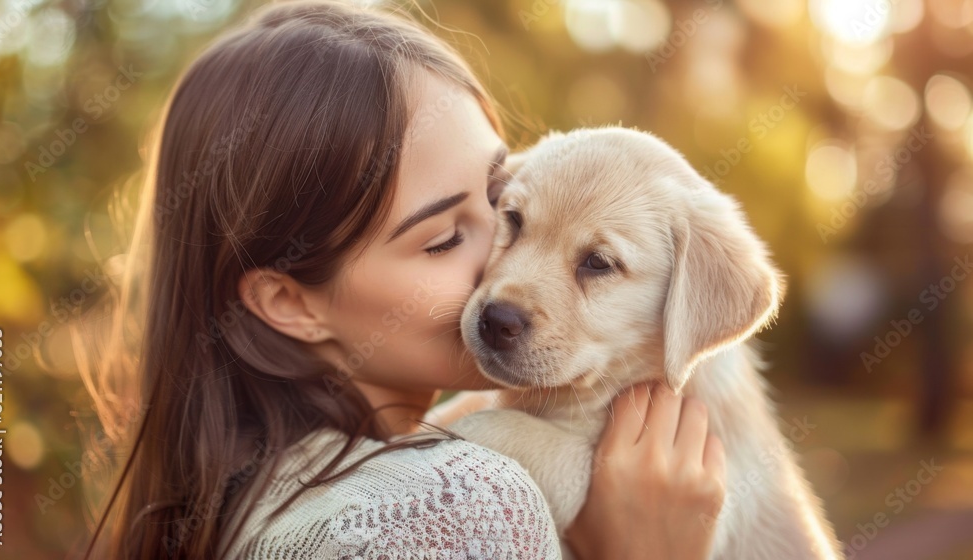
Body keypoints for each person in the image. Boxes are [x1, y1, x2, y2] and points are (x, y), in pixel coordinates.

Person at [75, 1, 726, 558]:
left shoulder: (238, 500)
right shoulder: (456, 508)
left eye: (505, 202)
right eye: (442, 239)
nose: (507, 273)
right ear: (289, 302)